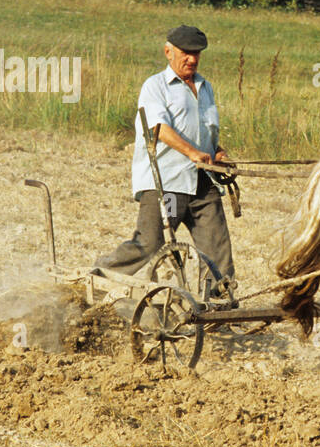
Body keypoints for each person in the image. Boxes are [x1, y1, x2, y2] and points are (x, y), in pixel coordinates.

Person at [94, 24, 237, 303]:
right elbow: (157, 126)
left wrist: (217, 153)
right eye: (186, 53)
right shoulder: (155, 86)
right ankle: (96, 276)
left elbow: (203, 130)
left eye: (197, 53)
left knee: (218, 249)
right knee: (150, 243)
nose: (192, 59)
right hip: (168, 185)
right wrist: (192, 152)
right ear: (168, 52)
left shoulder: (206, 88)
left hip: (203, 185)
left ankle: (220, 306)